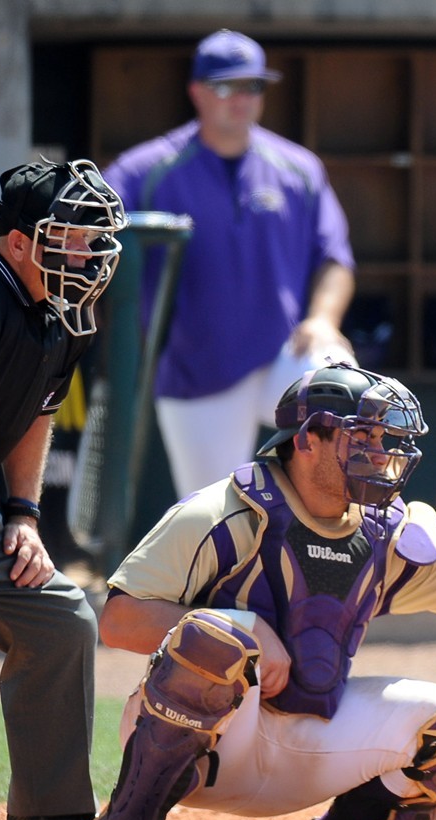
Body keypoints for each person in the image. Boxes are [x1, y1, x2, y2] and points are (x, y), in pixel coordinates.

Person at [75, 364, 436, 820]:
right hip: (203, 747)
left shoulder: (385, 528)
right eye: (364, 437)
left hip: (307, 744)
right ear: (309, 440)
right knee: (219, 635)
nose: (382, 454)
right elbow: (120, 619)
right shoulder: (222, 513)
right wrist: (253, 633)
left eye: (387, 440)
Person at [102, 28, 357, 498]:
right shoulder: (149, 169)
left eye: (252, 87)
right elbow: (88, 225)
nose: (240, 99)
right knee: (212, 521)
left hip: (283, 354)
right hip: (197, 367)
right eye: (226, 87)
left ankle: (337, 550)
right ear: (196, 92)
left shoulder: (297, 167)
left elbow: (335, 257)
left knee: (344, 389)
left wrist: (323, 319)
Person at [0, 158, 126, 820]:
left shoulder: (64, 318)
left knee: (63, 618)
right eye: (68, 237)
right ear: (16, 242)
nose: (87, 252)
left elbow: (36, 417)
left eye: (90, 237)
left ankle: (50, 818)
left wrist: (22, 513)